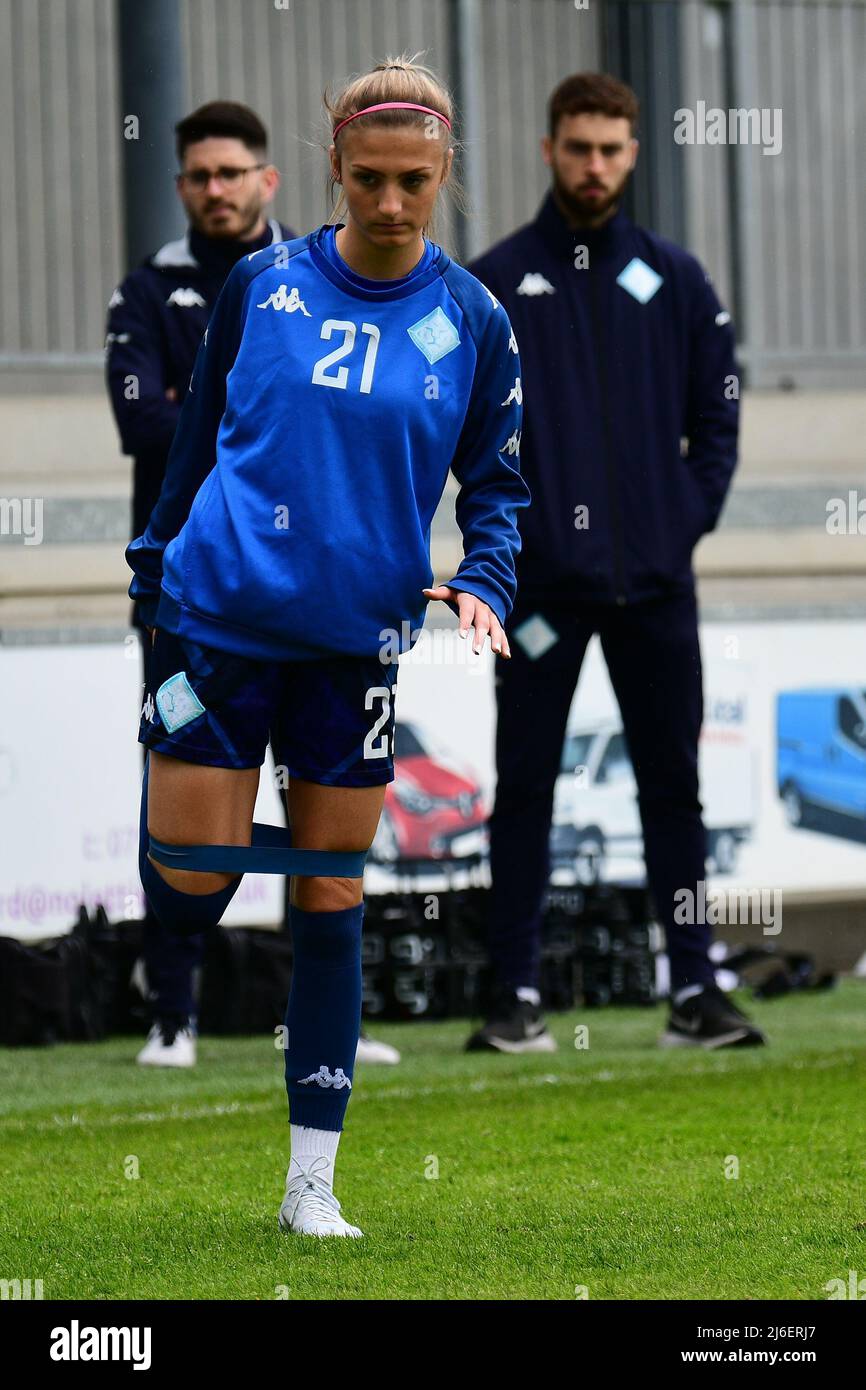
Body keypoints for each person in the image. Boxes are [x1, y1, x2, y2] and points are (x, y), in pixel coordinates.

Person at [125, 55, 530, 1237]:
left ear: (443, 170)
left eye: (412, 181)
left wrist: (485, 579)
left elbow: (497, 485)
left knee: (330, 900)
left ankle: (312, 1180)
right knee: (187, 884)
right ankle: (199, 816)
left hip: (354, 647)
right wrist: (153, 581)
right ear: (333, 169)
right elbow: (193, 444)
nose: (391, 204)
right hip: (217, 621)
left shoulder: (475, 321)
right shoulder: (261, 286)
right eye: (367, 180)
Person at [465, 72, 765, 1053]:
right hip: (542, 595)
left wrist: (677, 522)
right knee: (525, 787)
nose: (593, 166)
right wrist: (515, 549)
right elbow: (466, 438)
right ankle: (511, 997)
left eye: (610, 149)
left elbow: (715, 416)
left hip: (654, 591)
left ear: (633, 155)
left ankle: (692, 990)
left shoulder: (674, 280)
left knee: (670, 790)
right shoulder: (496, 281)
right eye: (577, 147)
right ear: (547, 149)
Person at [106, 101, 398, 1069]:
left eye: (232, 173)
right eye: (198, 176)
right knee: (188, 822)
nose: (215, 189)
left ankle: (305, 1009)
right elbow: (151, 422)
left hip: (329, 599)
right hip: (192, 588)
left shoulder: (347, 281)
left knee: (320, 819)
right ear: (181, 184)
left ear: (269, 180)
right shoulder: (154, 289)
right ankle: (173, 1011)